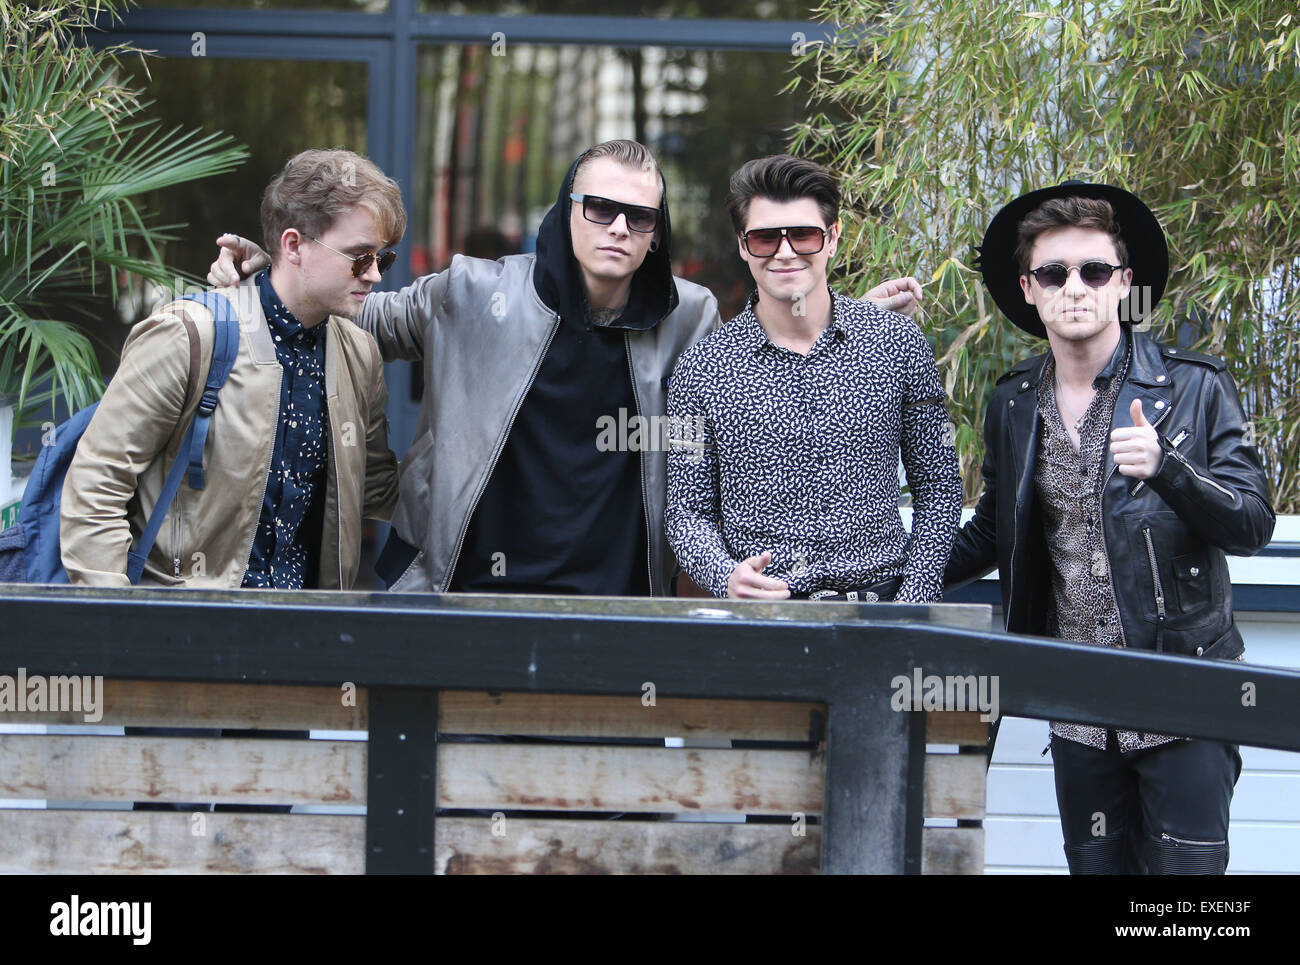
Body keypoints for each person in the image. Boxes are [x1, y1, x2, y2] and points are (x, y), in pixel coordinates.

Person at [209, 140, 925, 596]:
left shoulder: (688, 316)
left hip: (616, 603)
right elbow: (356, 311)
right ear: (567, 210)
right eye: (600, 208)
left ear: (655, 234)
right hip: (464, 591)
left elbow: (755, 373)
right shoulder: (472, 290)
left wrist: (848, 318)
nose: (618, 227)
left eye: (638, 217)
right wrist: (275, 270)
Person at [944, 181, 1276, 873]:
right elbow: (990, 534)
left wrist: (1169, 469)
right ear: (1029, 288)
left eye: (1094, 270)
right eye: (1053, 272)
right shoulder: (1012, 402)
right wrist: (881, 568)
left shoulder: (1191, 388)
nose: (1075, 287)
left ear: (1123, 282)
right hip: (1080, 706)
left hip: (1186, 693)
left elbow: (1252, 523)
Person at [62, 149, 402, 589]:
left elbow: (377, 489)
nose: (374, 275)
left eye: (383, 259)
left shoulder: (359, 354)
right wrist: (118, 627)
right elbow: (96, 485)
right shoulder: (189, 334)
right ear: (294, 245)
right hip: (182, 639)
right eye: (360, 257)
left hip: (302, 638)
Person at [665, 154, 962, 602]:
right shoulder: (701, 367)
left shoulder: (898, 343)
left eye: (803, 235)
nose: (785, 252)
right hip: (766, 622)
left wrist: (914, 602)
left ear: (833, 238)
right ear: (743, 246)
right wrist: (725, 576)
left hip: (882, 611)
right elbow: (687, 510)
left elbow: (938, 485)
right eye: (765, 238)